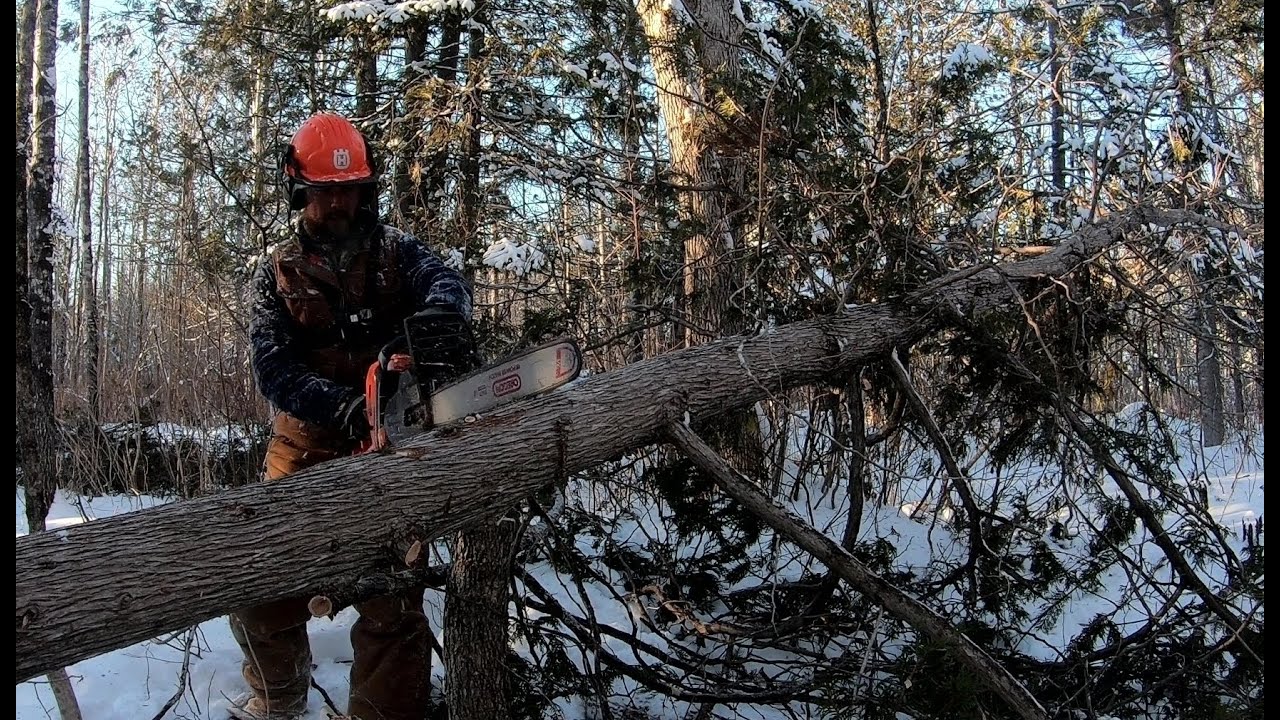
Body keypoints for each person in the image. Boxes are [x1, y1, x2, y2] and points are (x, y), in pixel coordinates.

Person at [231, 112, 474, 720]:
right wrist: (340, 406)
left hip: (389, 437)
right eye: (326, 191)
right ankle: (279, 699)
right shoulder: (276, 273)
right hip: (305, 442)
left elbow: (446, 282)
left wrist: (442, 317)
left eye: (349, 190)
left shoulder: (398, 252)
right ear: (301, 190)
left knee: (392, 600)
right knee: (262, 587)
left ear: (366, 189)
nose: (338, 203)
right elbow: (275, 371)